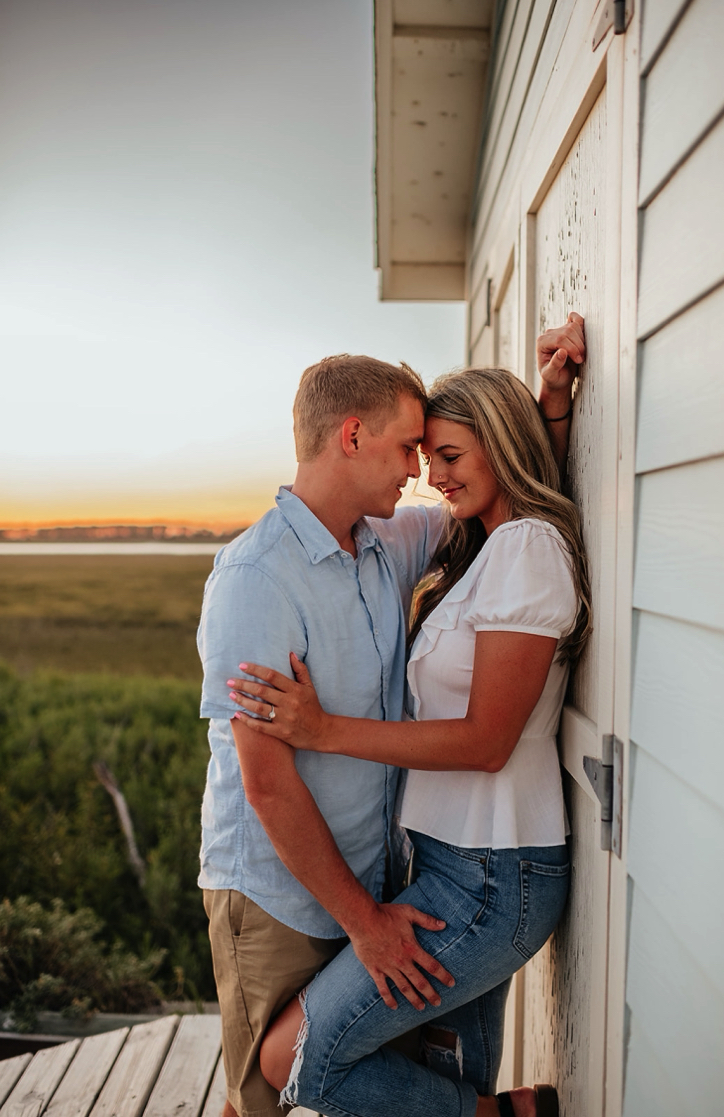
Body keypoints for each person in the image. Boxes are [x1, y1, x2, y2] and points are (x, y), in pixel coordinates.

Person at [196, 323, 583, 1117]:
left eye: (433, 453)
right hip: (279, 891)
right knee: (263, 1093)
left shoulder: (389, 543)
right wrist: (363, 920)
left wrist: (549, 406)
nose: (419, 472)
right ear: (352, 436)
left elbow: (506, 488)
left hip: (380, 876)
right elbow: (266, 783)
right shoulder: (254, 578)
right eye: (410, 448)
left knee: (372, 1074)